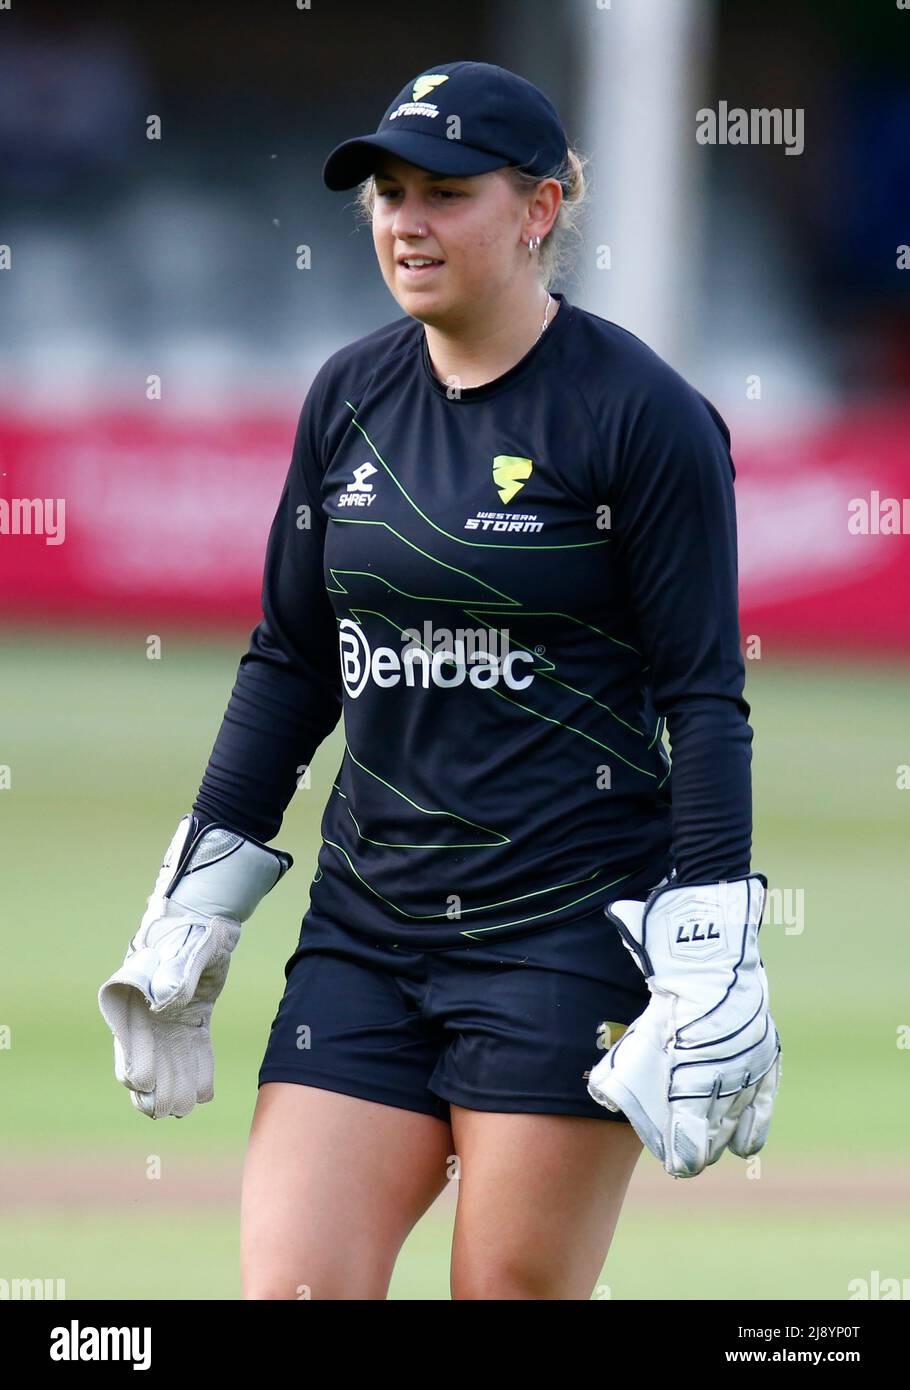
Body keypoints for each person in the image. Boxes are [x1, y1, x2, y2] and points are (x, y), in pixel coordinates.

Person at [98, 60, 780, 1301]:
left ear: (540, 208)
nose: (405, 221)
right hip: (366, 928)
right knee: (292, 1290)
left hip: (563, 935)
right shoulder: (348, 397)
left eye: (444, 193)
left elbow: (702, 700)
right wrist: (197, 893)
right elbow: (292, 660)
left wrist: (712, 946)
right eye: (387, 193)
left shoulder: (643, 416)